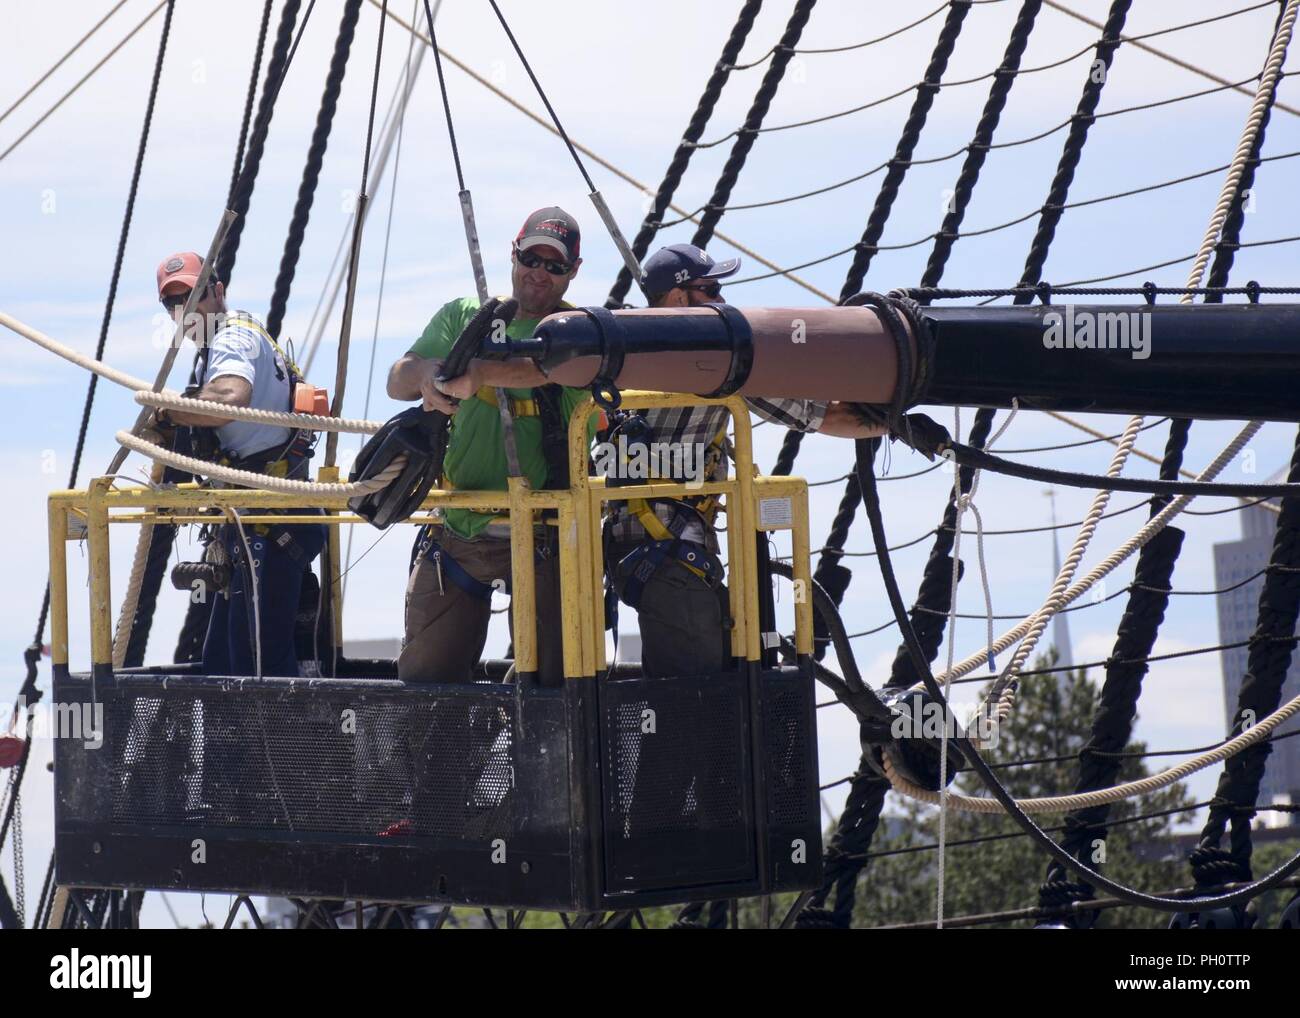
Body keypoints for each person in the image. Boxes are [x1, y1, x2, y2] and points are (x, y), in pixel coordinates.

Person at [603, 243, 887, 679]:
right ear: (679, 299)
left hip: (624, 549)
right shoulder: (713, 361)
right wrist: (894, 422)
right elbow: (824, 414)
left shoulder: (617, 350)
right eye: (711, 289)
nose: (721, 300)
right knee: (697, 697)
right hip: (672, 555)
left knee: (699, 673)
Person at [386, 207, 594, 686]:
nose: (539, 273)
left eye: (555, 265)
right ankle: (447, 762)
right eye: (531, 258)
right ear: (513, 254)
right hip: (458, 531)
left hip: (547, 537)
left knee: (558, 693)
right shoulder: (463, 315)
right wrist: (424, 375)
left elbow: (549, 369)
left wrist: (478, 373)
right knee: (427, 690)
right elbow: (398, 378)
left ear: (573, 272)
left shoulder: (580, 328)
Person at [151, 251, 326, 678]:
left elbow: (229, 400)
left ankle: (275, 746)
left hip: (268, 528)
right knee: (227, 667)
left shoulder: (231, 338)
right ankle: (248, 745)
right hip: (259, 530)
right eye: (174, 303)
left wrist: (168, 411)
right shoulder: (227, 342)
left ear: (218, 291)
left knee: (252, 673)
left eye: (193, 296)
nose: (186, 311)